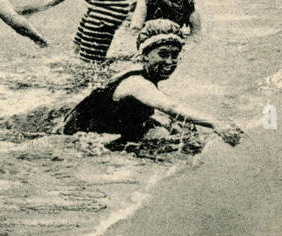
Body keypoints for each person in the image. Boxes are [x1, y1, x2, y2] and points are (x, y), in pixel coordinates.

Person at [61, 21, 241, 145]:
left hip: (98, 133)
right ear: (145, 55)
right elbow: (170, 106)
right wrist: (215, 123)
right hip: (75, 143)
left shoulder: (142, 76)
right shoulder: (137, 83)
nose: (170, 61)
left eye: (174, 55)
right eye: (163, 54)